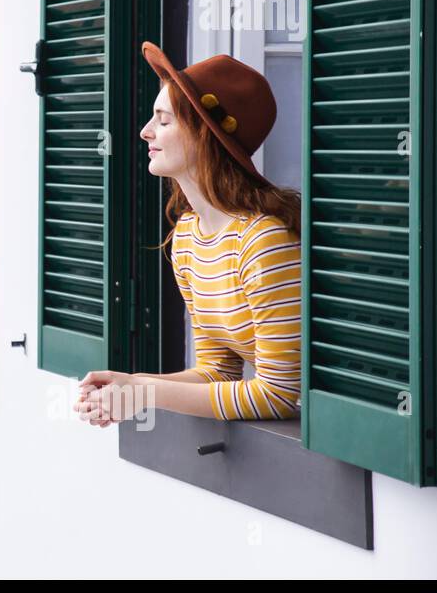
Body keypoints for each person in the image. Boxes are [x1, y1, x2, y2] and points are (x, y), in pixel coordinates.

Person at [74, 42, 302, 426]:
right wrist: (132, 383)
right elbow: (218, 371)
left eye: (163, 121)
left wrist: (145, 393)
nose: (146, 132)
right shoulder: (188, 239)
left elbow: (279, 394)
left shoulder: (264, 243)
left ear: (206, 135)